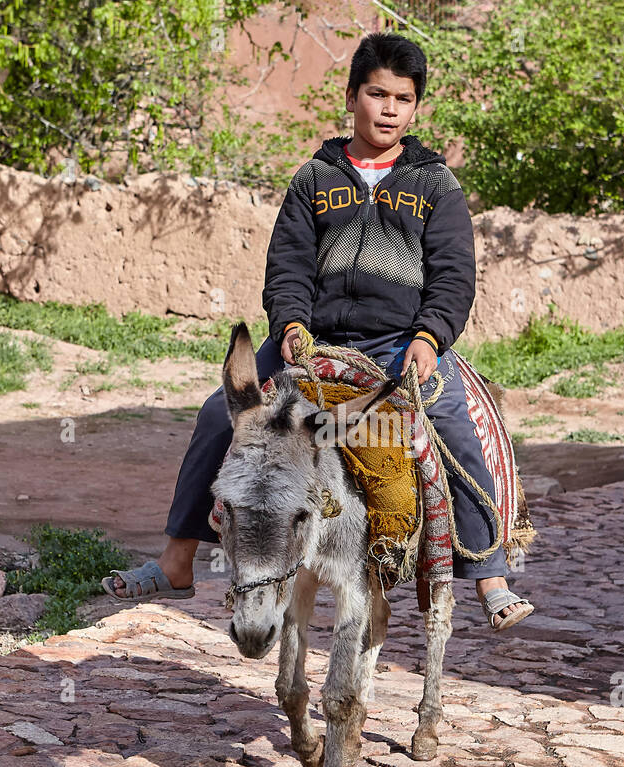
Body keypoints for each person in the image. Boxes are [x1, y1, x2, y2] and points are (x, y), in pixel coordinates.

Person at [104, 31, 534, 630]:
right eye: (377, 94)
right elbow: (288, 267)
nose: (388, 109)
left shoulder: (437, 185)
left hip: (399, 348)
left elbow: (454, 278)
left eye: (403, 99)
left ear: (415, 108)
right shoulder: (314, 179)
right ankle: (178, 559)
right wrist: (291, 326)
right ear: (352, 95)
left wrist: (429, 338)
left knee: (455, 426)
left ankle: (488, 573)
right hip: (314, 347)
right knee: (216, 416)